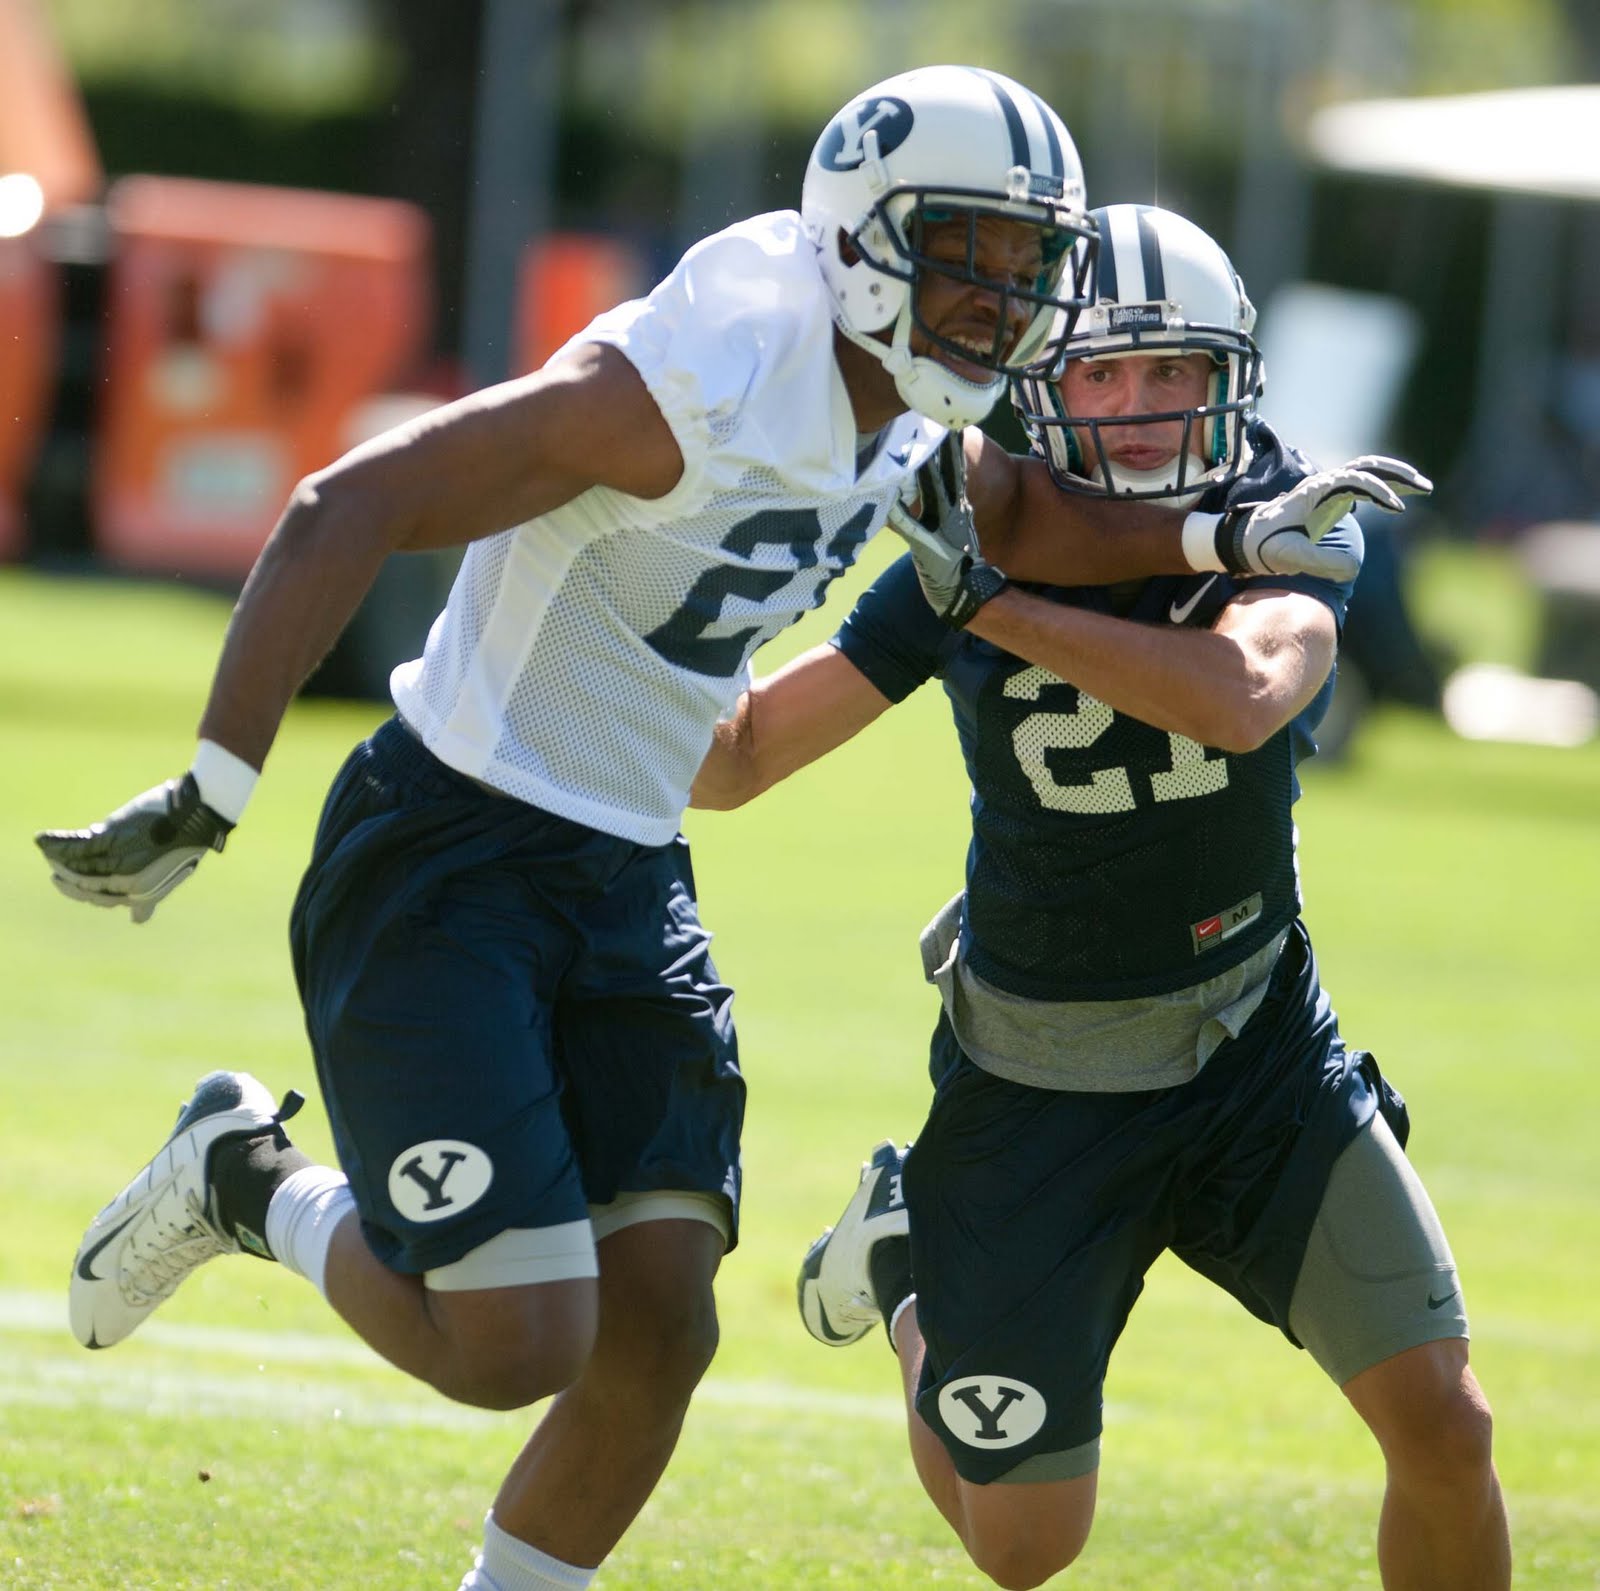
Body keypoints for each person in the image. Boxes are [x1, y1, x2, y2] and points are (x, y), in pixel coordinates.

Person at [37, 65, 1394, 1588]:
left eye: (1028, 264)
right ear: (868, 236)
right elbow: (343, 503)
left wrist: (1223, 530)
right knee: (515, 1342)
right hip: (453, 845)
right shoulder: (708, 371)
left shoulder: (917, 404)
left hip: (629, 866)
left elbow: (1020, 508)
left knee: (663, 1324)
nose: (1001, 300)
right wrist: (214, 787)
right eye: (972, 254)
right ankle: (249, 1182)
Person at [691, 204, 1508, 1591]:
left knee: (1445, 1416)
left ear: (1229, 379)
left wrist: (989, 606)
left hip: (1259, 1054)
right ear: (1040, 382)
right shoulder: (983, 508)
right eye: (1101, 375)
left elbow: (1243, 699)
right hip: (1037, 1081)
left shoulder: (1288, 510)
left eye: (1171, 374)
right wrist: (624, 632)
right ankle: (906, 1272)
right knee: (1025, 1550)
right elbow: (749, 758)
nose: (1136, 409)